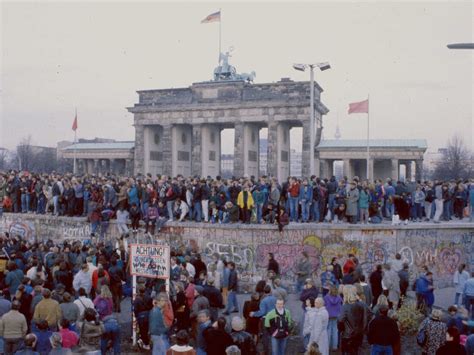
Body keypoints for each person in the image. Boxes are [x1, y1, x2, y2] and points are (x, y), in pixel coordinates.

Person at [337, 285, 368, 355]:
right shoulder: (362, 304)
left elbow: (340, 321)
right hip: (359, 335)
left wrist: (341, 330)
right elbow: (367, 318)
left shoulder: (345, 307)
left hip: (348, 336)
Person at [324, 285, 342, 352]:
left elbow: (324, 304)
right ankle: (334, 346)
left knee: (328, 329)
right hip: (336, 315)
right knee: (335, 330)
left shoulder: (326, 297)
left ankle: (328, 345)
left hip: (328, 315)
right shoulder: (339, 298)